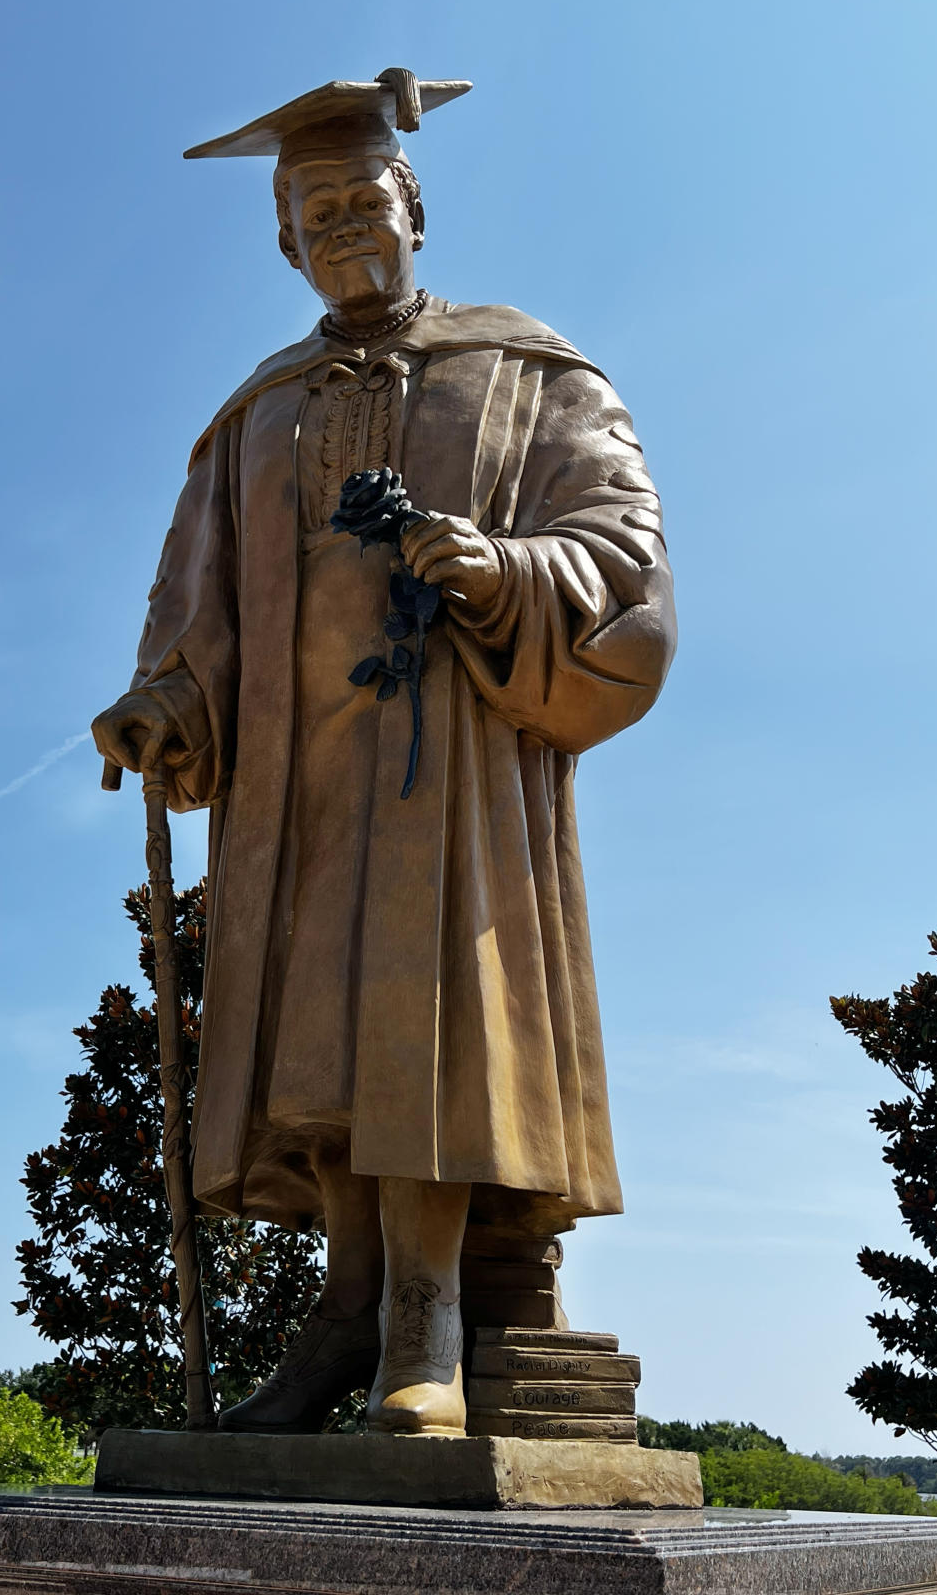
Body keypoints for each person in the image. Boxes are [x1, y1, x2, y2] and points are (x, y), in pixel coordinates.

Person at [91, 70, 676, 1437]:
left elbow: (622, 544)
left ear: (417, 209)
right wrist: (167, 704)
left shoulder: (528, 372)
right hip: (296, 789)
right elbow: (199, 605)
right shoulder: (256, 415)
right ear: (284, 245)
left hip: (451, 768)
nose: (346, 225)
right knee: (317, 1043)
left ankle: (428, 1324)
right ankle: (344, 1315)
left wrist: (501, 565)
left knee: (429, 1031)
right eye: (317, 212)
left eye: (368, 199)